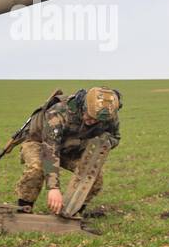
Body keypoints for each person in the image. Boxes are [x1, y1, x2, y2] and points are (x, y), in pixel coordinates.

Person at [15, 86, 121, 214]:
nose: (92, 121)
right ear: (83, 106)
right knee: (37, 168)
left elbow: (115, 136)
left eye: (97, 120)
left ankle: (72, 211)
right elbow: (50, 150)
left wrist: (105, 141)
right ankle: (24, 208)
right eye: (90, 116)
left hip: (72, 148)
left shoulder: (108, 114)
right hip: (40, 143)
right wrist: (53, 188)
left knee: (94, 176)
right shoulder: (59, 113)